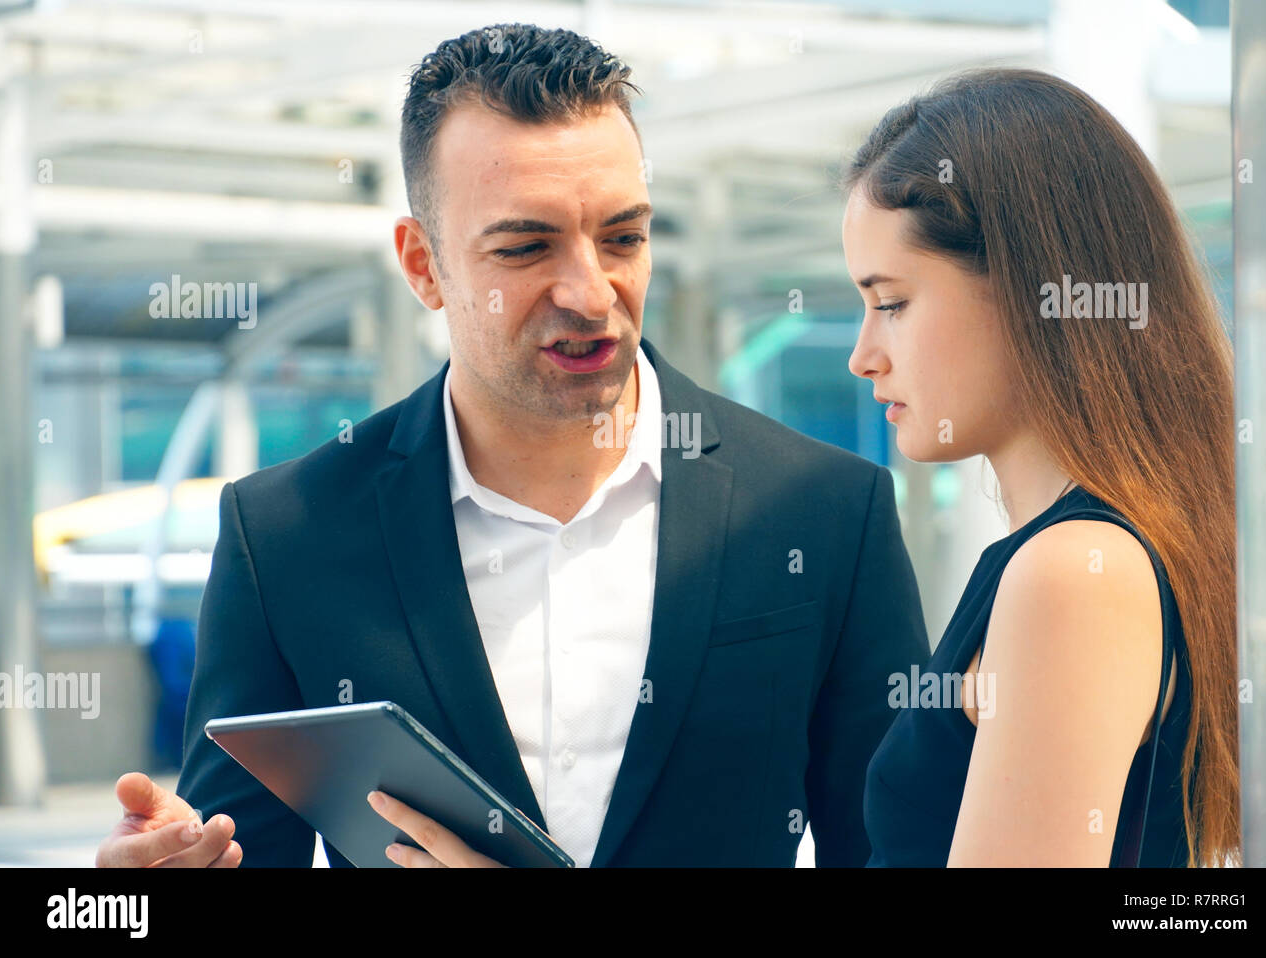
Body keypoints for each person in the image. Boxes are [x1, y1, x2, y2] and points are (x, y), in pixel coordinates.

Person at [95, 23, 928, 869]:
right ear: (423, 265)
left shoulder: (822, 512)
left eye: (624, 237)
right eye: (526, 247)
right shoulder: (284, 536)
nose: (591, 291)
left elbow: (904, 857)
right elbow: (240, 853)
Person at [846, 68, 1239, 866]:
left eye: (891, 302)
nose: (863, 356)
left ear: (1028, 291)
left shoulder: (1075, 574)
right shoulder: (1082, 557)